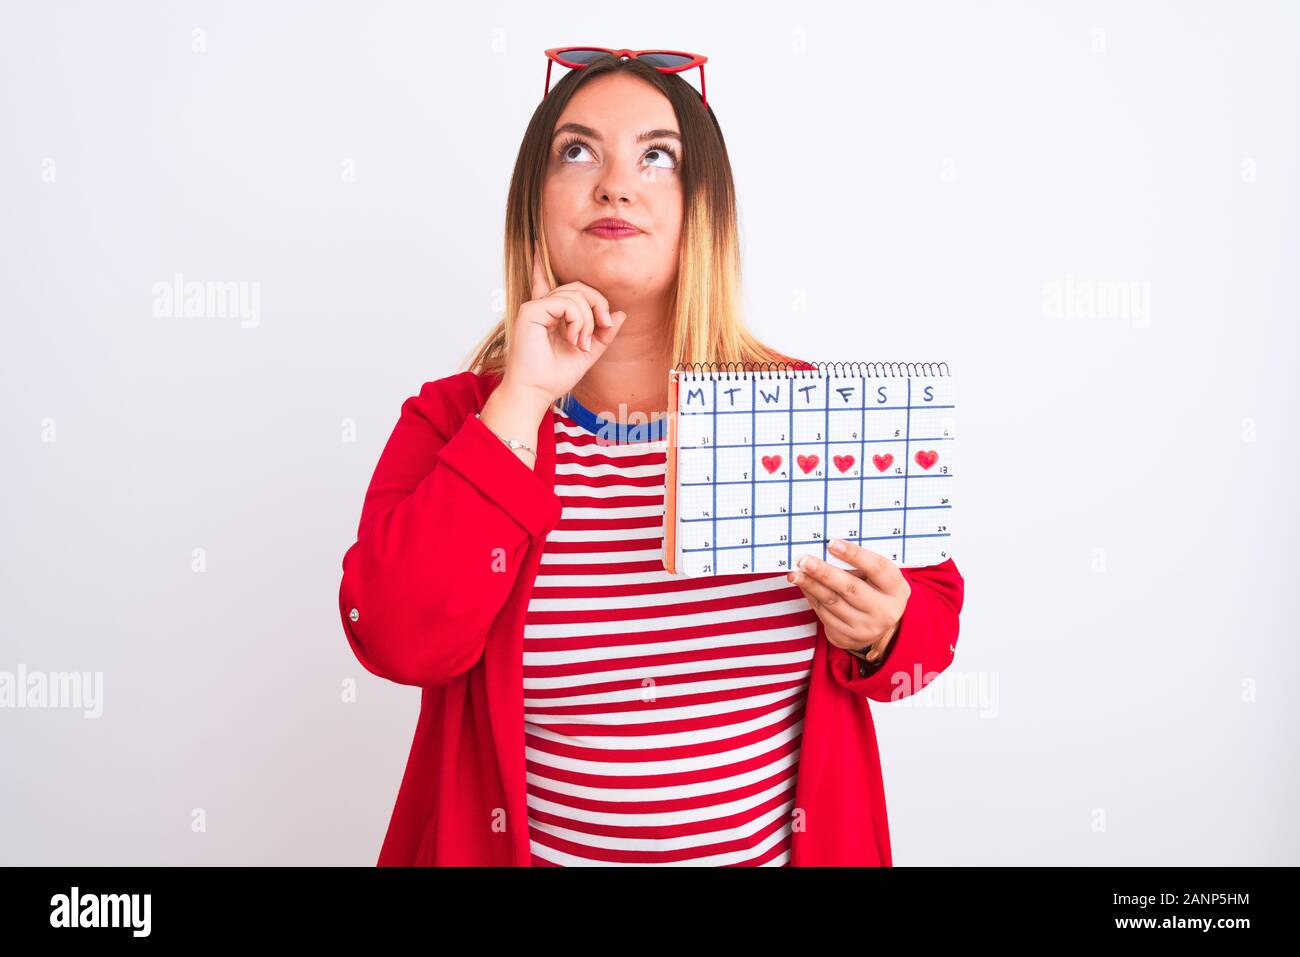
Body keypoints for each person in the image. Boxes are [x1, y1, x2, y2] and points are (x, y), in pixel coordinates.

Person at [338, 50, 965, 866]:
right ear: (534, 204)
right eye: (577, 151)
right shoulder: (459, 418)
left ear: (705, 209)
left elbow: (932, 624)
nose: (615, 184)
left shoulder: (807, 410)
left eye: (656, 156)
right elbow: (394, 637)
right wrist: (520, 400)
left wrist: (886, 630)